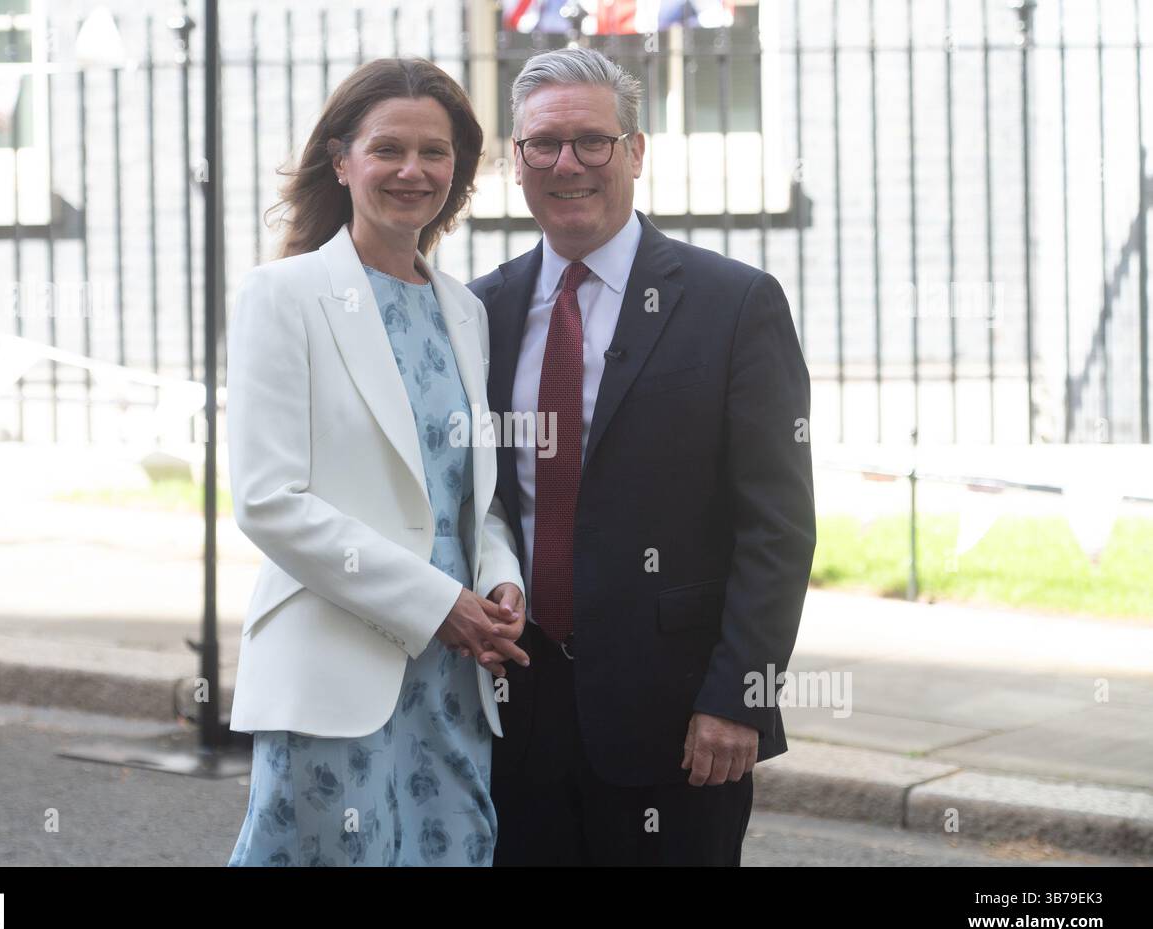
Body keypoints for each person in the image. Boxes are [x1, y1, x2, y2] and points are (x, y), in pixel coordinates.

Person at [468, 47, 816, 866]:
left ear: (636, 150)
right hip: (513, 714)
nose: (568, 164)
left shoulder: (734, 305)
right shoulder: (479, 311)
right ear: (516, 161)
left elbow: (778, 526)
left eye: (592, 141)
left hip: (680, 720)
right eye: (542, 145)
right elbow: (473, 500)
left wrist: (739, 698)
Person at [225, 57, 527, 867]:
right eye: (388, 148)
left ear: (458, 170)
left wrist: (502, 580)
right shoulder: (280, 296)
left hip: (454, 678)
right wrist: (437, 602)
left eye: (435, 152)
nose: (411, 170)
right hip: (335, 670)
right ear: (341, 160)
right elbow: (267, 500)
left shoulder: (465, 310)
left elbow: (471, 492)